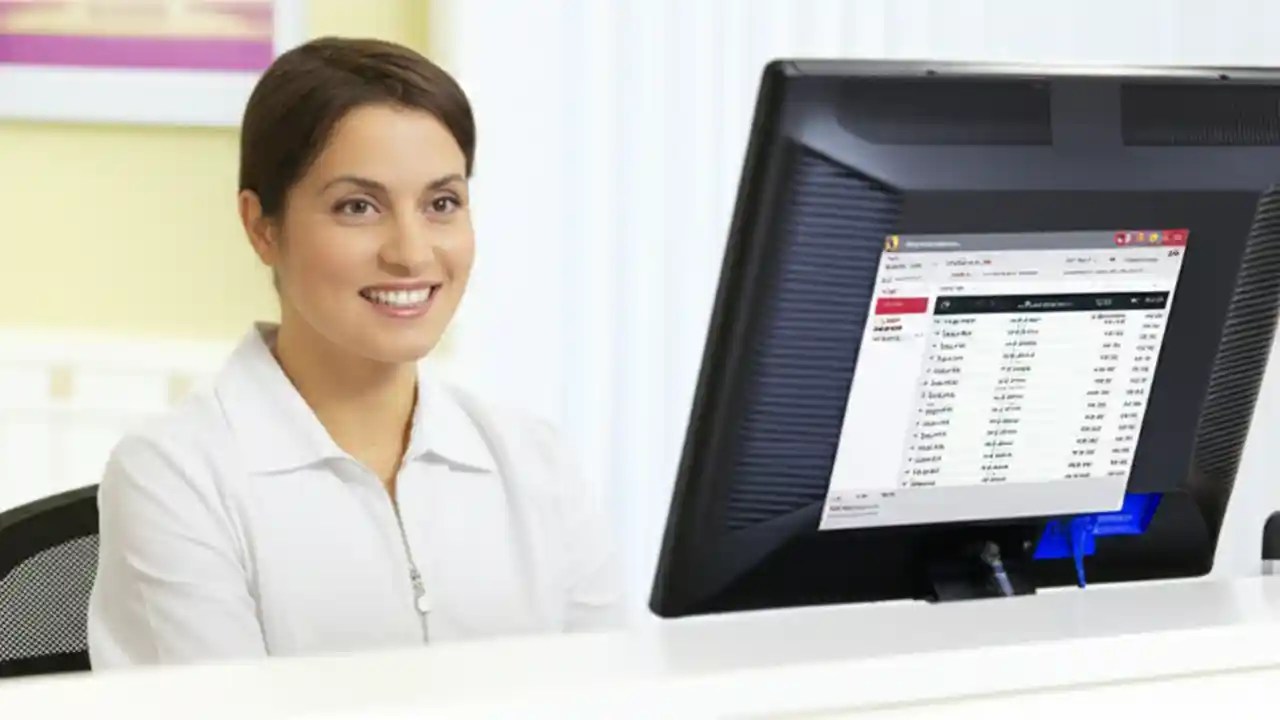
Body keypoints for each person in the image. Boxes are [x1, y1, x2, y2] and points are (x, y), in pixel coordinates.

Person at [87, 37, 621, 668]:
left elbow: (630, 691)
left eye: (441, 203)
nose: (412, 252)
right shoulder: (175, 476)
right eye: (358, 206)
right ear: (262, 226)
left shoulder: (534, 461)